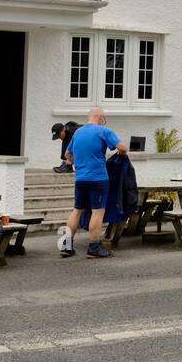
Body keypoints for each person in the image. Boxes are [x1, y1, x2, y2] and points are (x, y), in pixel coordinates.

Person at [58, 107, 127, 259]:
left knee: (77, 210)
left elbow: (67, 154)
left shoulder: (78, 132)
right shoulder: (103, 131)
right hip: (98, 179)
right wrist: (121, 156)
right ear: (101, 117)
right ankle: (94, 247)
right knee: (97, 212)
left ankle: (67, 246)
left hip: (80, 178)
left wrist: (78, 162)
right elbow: (123, 147)